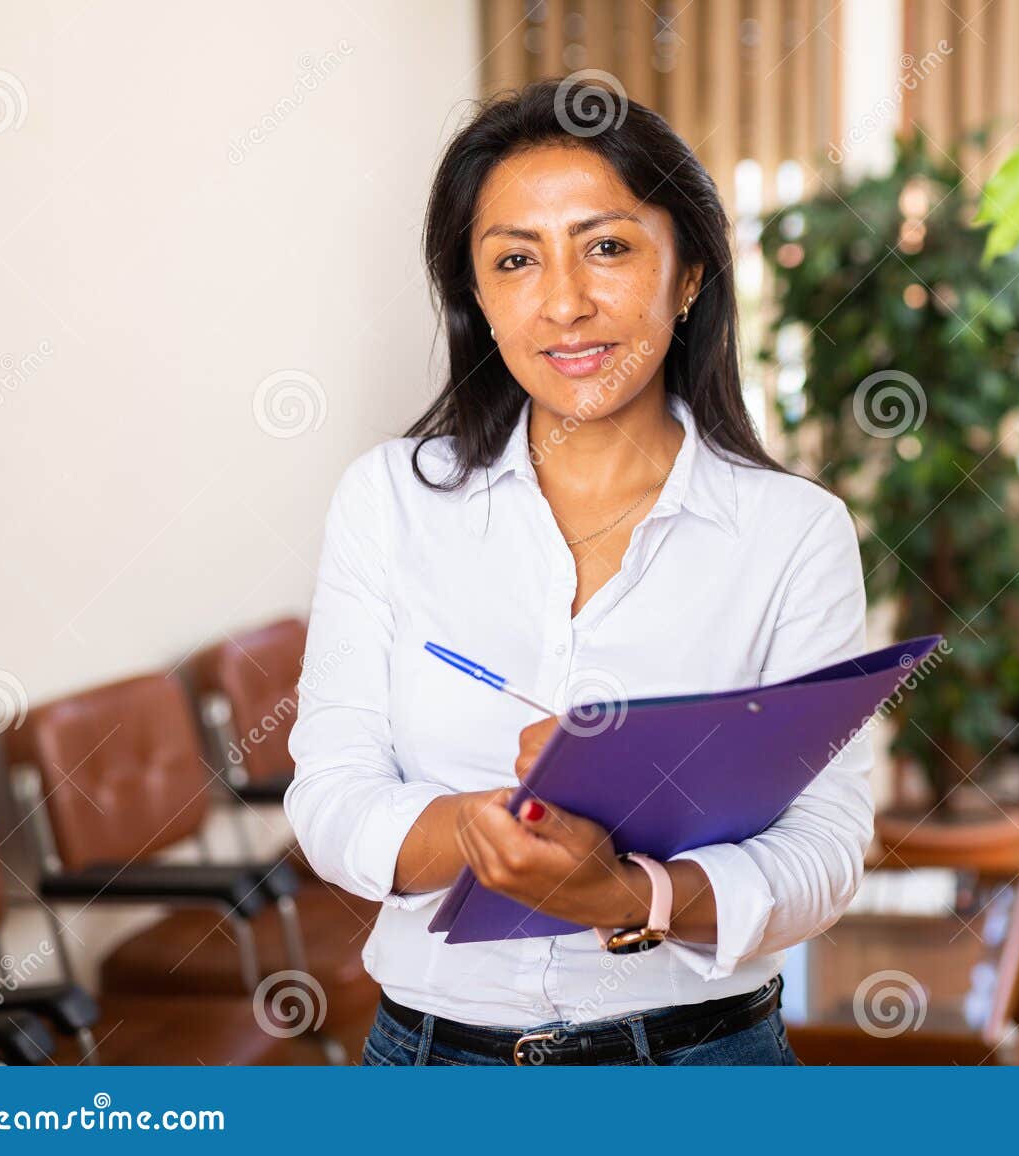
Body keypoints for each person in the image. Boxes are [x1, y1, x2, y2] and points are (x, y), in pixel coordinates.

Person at [285, 78, 872, 1066]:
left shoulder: (793, 532)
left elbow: (824, 846)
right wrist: (479, 833)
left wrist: (628, 895)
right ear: (476, 294)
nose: (564, 302)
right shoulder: (388, 500)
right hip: (429, 1065)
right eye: (515, 259)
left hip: (698, 1065)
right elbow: (331, 795)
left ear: (687, 275)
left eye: (607, 246)